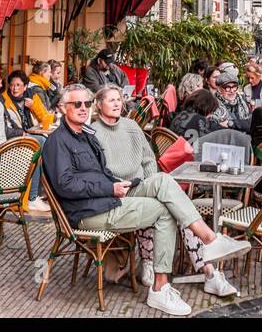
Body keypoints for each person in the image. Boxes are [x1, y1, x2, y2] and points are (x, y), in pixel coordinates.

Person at [41, 85, 249, 315]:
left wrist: (118, 184)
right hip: (91, 211)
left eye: (86, 103)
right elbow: (66, 185)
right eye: (77, 104)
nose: (83, 108)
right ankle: (163, 285)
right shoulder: (58, 141)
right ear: (62, 108)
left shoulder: (86, 136)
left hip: (111, 197)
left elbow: (111, 168)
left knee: (162, 181)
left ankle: (207, 243)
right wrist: (110, 187)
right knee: (166, 210)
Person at [91, 85, 239, 297]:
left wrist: (149, 180)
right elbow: (97, 171)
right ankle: (208, 267)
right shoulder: (94, 133)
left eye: (119, 99)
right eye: (111, 100)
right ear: (99, 104)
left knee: (168, 199)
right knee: (171, 204)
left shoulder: (132, 126)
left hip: (142, 183)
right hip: (118, 191)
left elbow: (149, 158)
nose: (117, 103)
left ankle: (196, 270)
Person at [0, 71, 51, 212]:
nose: (15, 88)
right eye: (12, 85)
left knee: (48, 142)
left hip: (28, 137)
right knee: (40, 142)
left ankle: (39, 194)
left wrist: (34, 106)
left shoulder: (30, 95)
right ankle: (33, 197)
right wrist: (22, 133)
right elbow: (4, 129)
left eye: (18, 85)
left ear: (25, 86)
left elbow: (45, 118)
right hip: (13, 141)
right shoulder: (2, 100)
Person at [210, 67, 252, 132]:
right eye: (227, 87)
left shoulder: (242, 99)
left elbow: (251, 123)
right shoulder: (212, 104)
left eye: (234, 86)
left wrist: (230, 123)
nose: (232, 91)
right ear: (219, 89)